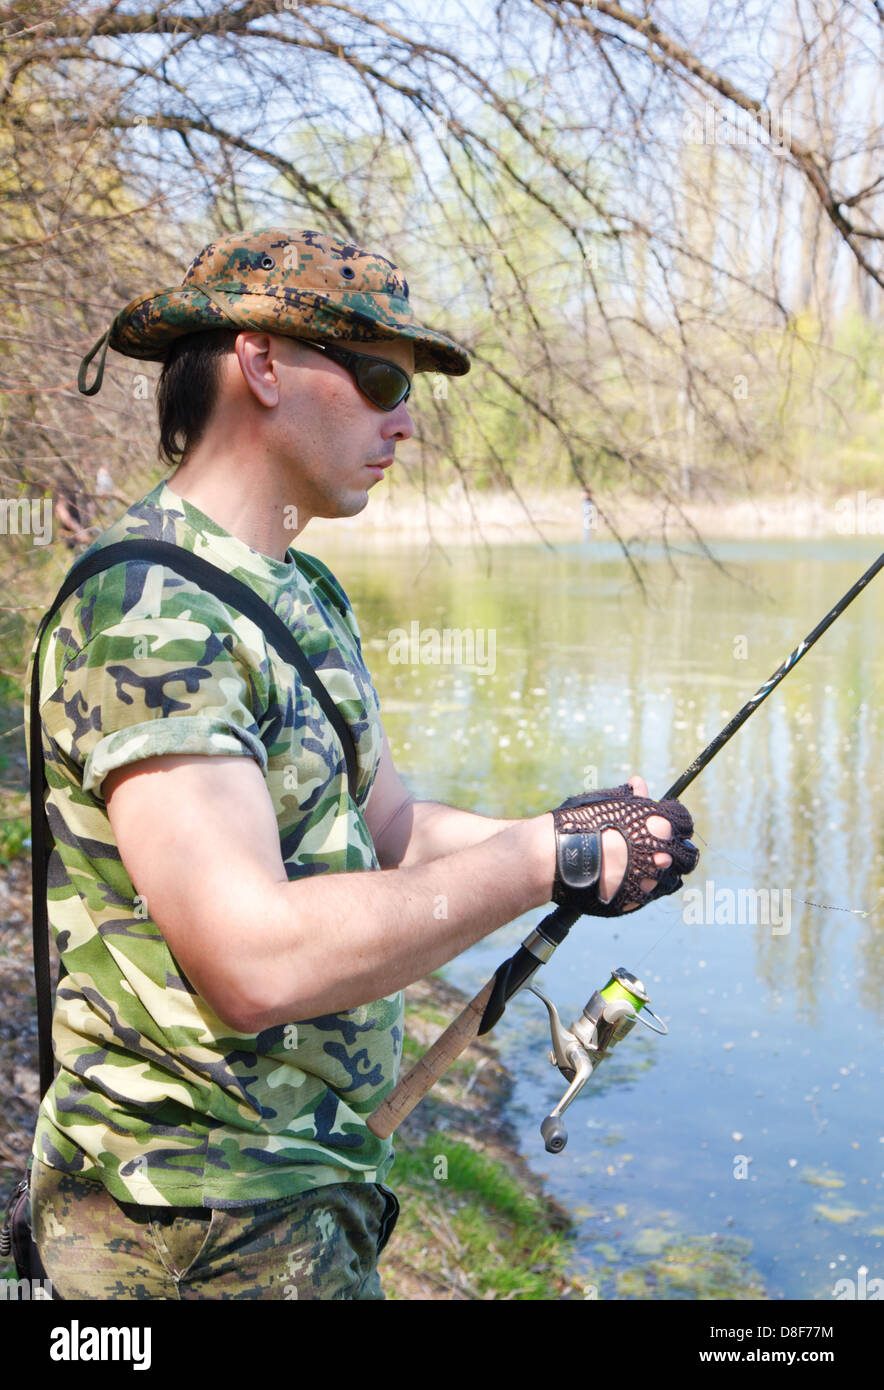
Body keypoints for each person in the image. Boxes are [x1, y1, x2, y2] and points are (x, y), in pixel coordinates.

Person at [26, 228, 700, 1301]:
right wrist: (539, 865)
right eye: (380, 375)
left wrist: (583, 838)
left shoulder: (298, 589)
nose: (402, 418)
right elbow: (250, 963)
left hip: (306, 1192)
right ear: (258, 364)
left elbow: (388, 827)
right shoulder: (149, 613)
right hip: (185, 1228)